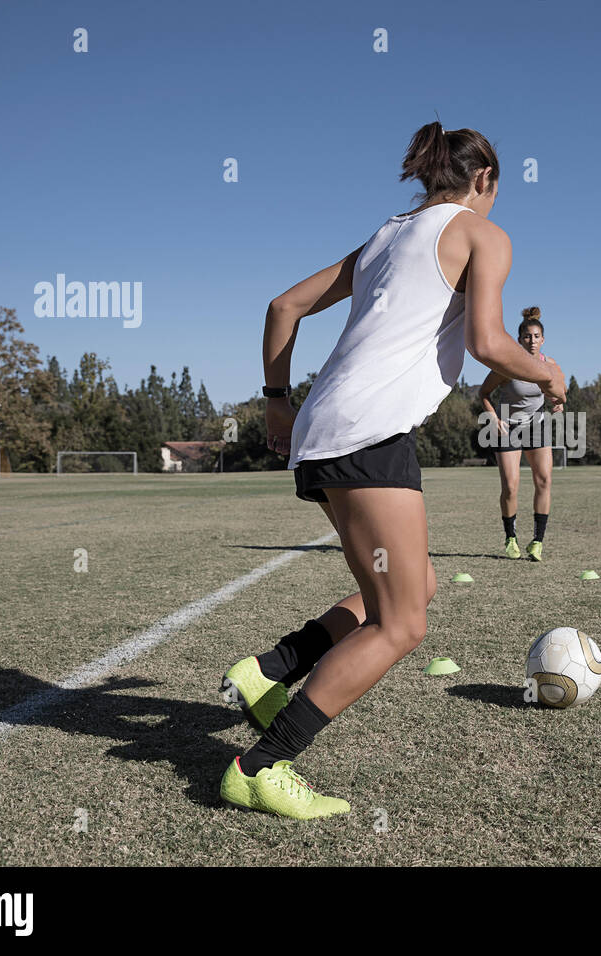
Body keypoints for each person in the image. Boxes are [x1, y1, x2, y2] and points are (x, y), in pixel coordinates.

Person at [217, 121, 565, 820]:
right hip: (371, 433)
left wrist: (278, 403)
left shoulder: (384, 234)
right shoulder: (481, 233)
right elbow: (488, 340)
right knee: (403, 626)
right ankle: (260, 766)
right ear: (484, 179)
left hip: (323, 430)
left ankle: (272, 670)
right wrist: (550, 374)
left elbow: (282, 305)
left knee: (414, 588)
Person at [478, 307, 563, 561]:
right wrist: (492, 416)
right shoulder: (508, 367)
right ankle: (510, 537)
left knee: (544, 481)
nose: (532, 341)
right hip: (508, 428)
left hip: (536, 426)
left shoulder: (550, 366)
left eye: (536, 336)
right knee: (511, 487)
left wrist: (558, 403)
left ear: (543, 339)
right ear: (519, 339)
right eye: (527, 336)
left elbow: (557, 392)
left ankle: (537, 542)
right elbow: (483, 392)